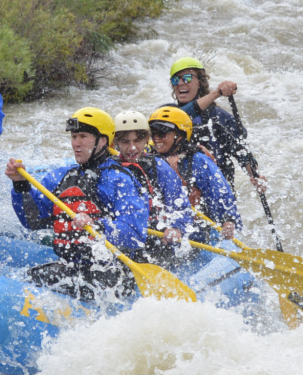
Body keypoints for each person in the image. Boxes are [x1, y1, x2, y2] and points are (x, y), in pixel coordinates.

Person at [5, 108, 148, 301]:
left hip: (111, 272)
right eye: (74, 137)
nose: (76, 144)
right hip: (71, 266)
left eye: (83, 136)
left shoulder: (120, 179)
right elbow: (32, 221)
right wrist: (20, 186)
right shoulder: (61, 176)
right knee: (24, 282)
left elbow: (134, 233)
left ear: (102, 141)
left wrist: (97, 225)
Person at [167, 57, 264, 193]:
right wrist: (216, 93)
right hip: (183, 193)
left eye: (187, 78)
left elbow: (241, 150)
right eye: (175, 80)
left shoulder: (219, 117)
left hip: (218, 192)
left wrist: (255, 176)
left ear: (200, 81)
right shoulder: (166, 114)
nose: (180, 83)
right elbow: (181, 117)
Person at [112, 110, 194, 264]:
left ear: (146, 140)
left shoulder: (158, 167)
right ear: (116, 142)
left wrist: (176, 228)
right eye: (125, 142)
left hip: (157, 239)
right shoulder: (110, 168)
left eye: (137, 141)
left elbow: (180, 204)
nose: (132, 148)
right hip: (124, 239)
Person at [148, 106, 241, 242]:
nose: (156, 139)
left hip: (199, 232)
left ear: (180, 135)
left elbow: (221, 194)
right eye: (153, 133)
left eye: (162, 133)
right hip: (165, 231)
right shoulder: (149, 160)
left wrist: (229, 220)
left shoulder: (198, 161)